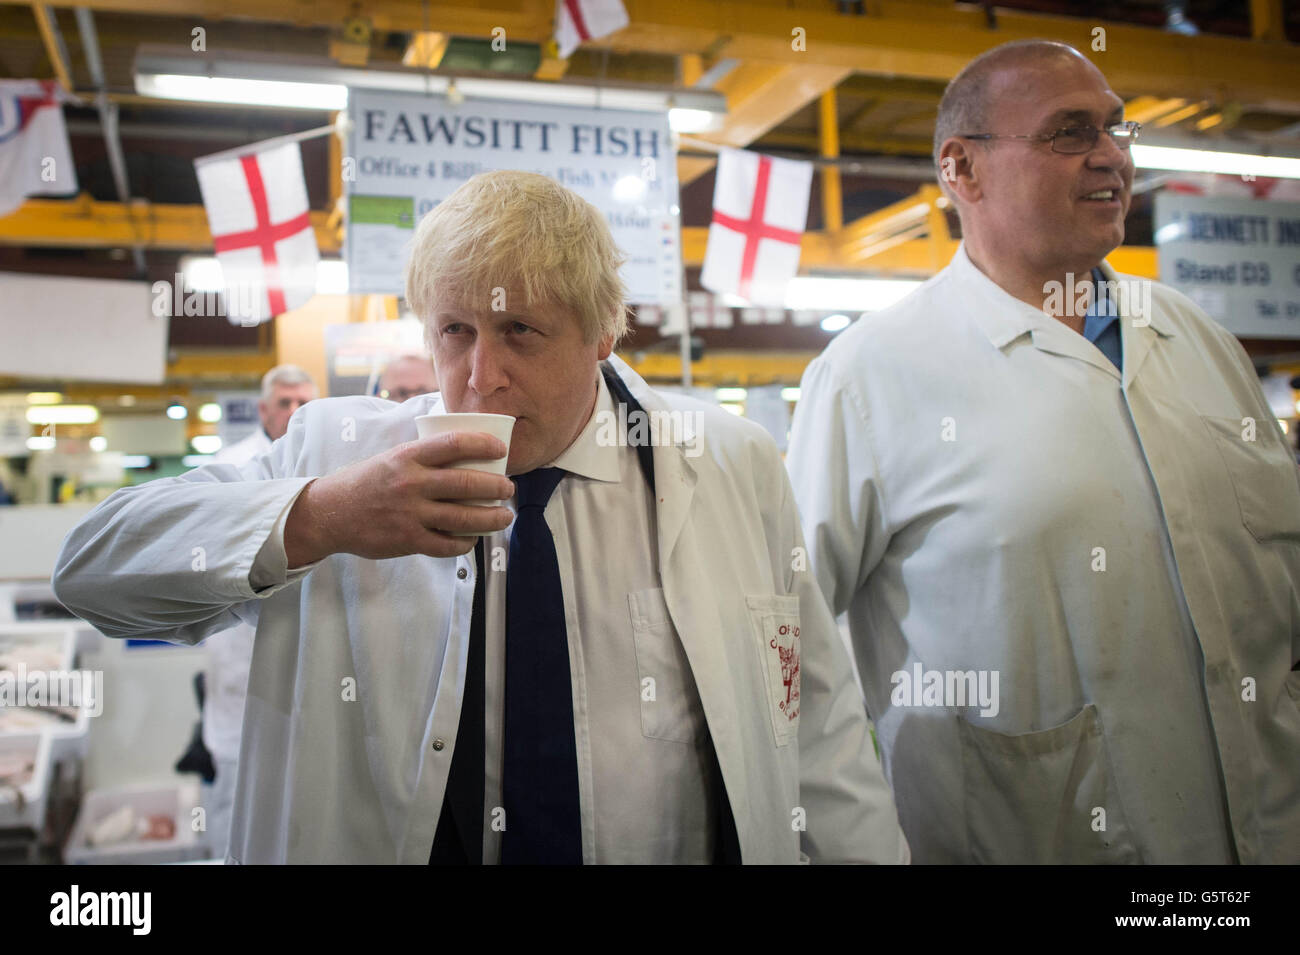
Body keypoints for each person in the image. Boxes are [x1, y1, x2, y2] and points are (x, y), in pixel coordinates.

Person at [53, 170, 906, 864]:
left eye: (521, 331)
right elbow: (92, 567)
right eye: (454, 329)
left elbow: (821, 731)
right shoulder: (338, 451)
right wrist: (319, 516)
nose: (478, 376)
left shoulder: (727, 464)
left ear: (605, 332)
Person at [787, 39, 1300, 864]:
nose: (1110, 156)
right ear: (963, 168)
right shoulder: (870, 377)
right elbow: (789, 642)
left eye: (1115, 128)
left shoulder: (1198, 338)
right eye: (1069, 132)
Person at [199, 364, 317, 858]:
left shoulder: (328, 464)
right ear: (264, 409)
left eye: (302, 403)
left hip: (311, 659)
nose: (293, 413)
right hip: (239, 663)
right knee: (235, 807)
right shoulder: (231, 468)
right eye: (283, 403)